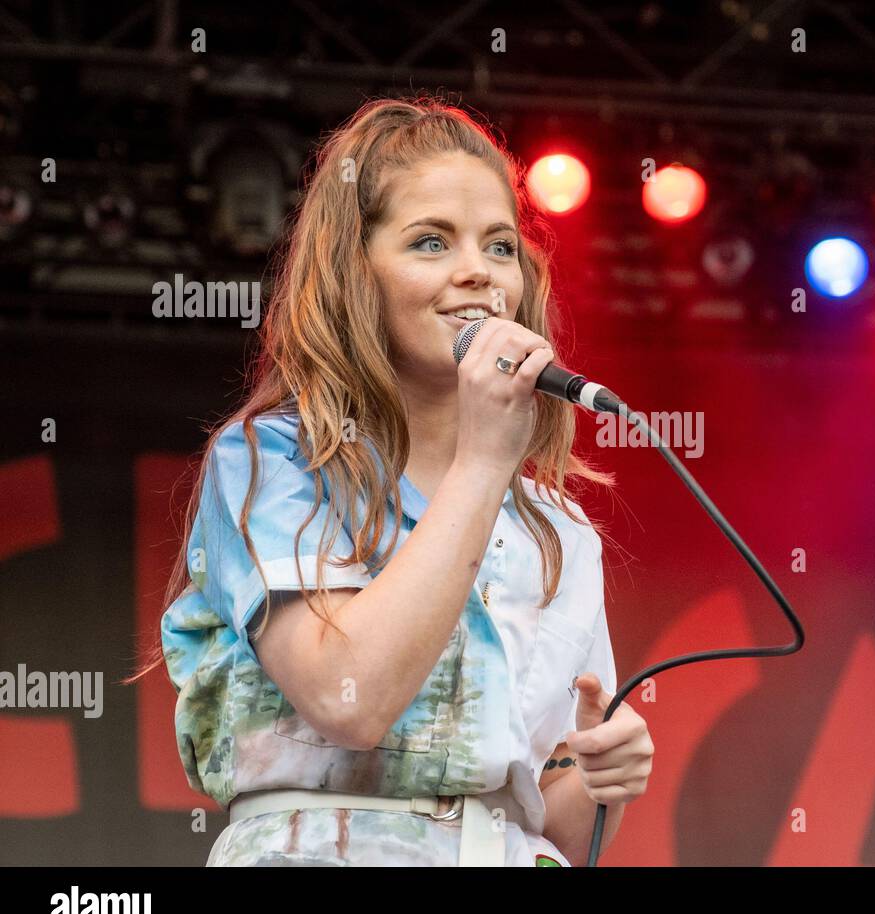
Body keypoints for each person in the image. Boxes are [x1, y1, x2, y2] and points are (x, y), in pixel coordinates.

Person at [129, 96, 654, 866]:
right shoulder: (271, 461)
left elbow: (557, 830)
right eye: (431, 241)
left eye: (501, 246)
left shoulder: (558, 528)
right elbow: (353, 698)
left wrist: (605, 779)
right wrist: (482, 462)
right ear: (356, 274)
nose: (478, 270)